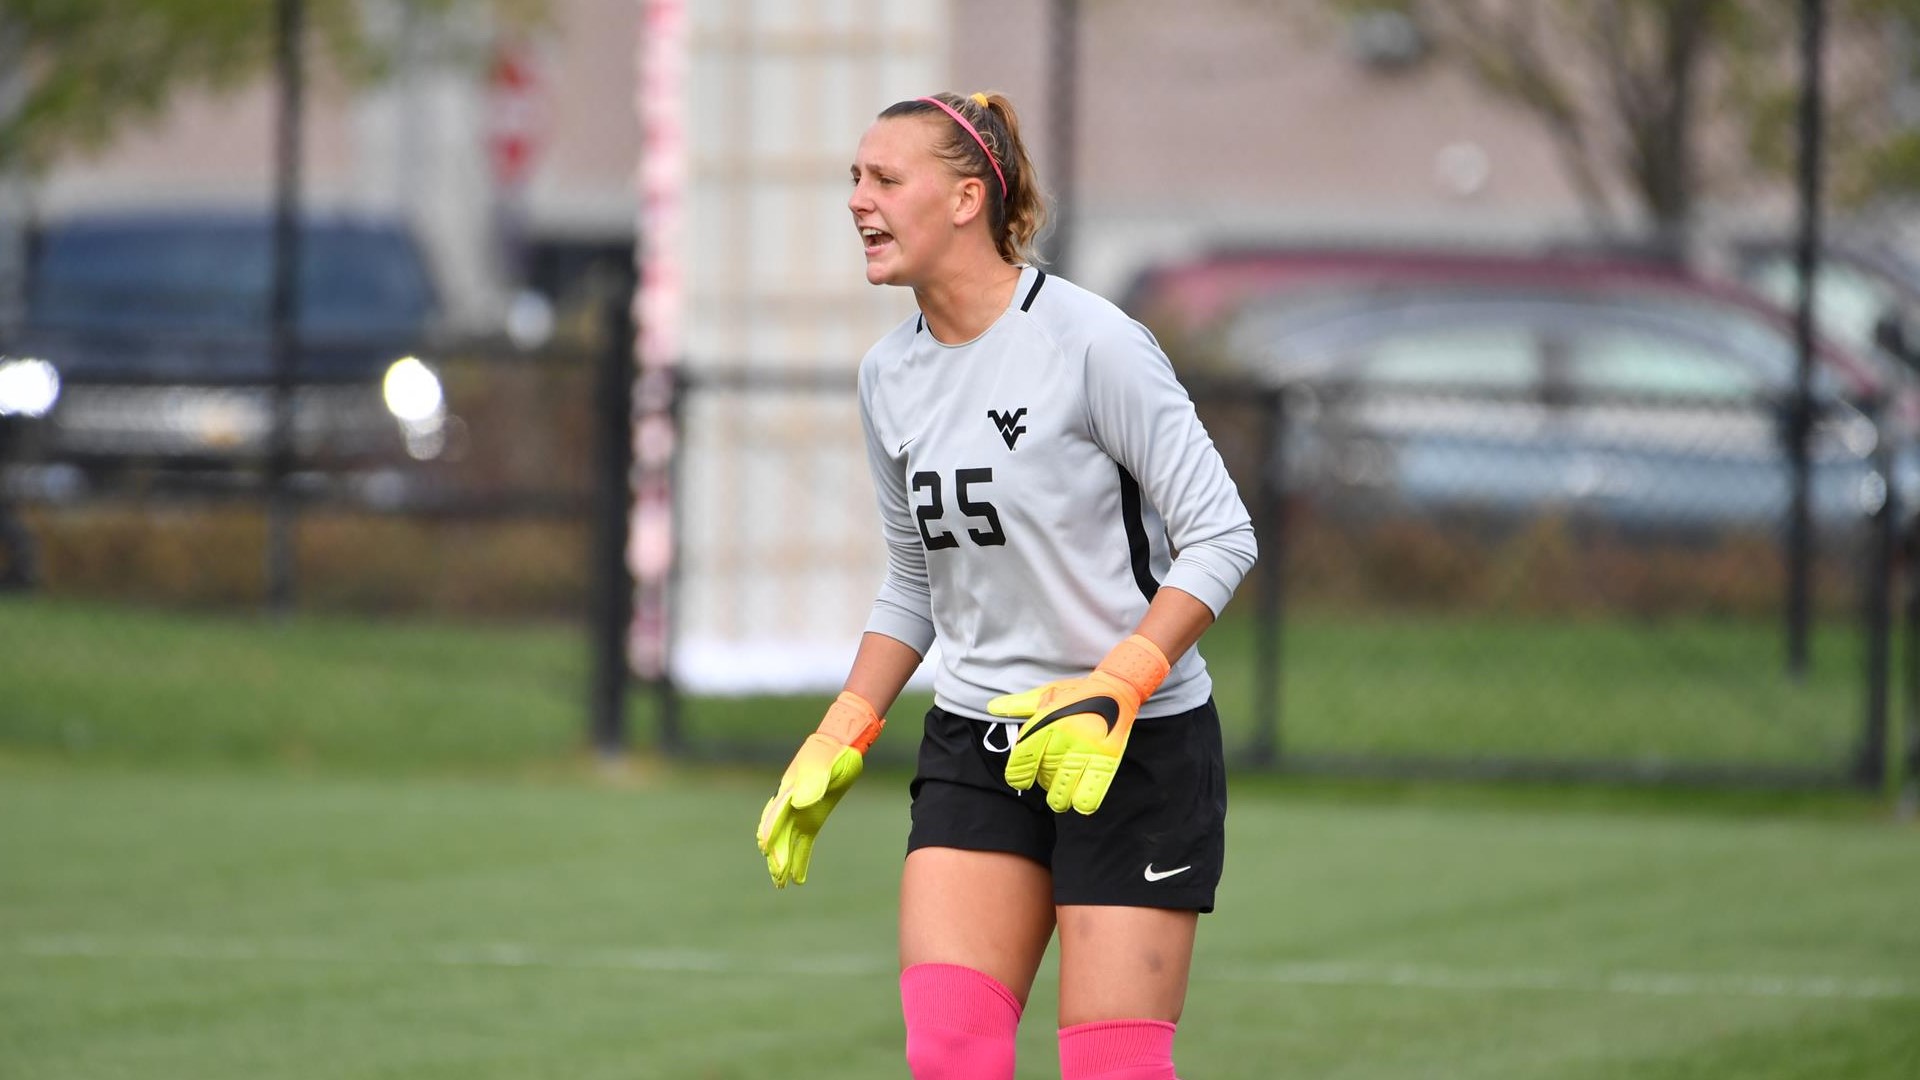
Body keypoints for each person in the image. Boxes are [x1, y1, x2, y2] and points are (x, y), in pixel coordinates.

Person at [756, 89, 1257, 1080]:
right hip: (978, 745)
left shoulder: (1090, 342)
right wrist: (842, 728)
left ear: (965, 198)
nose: (858, 200)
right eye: (854, 179)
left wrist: (1119, 683)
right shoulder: (886, 376)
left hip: (1135, 749)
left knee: (1110, 1070)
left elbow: (1219, 535)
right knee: (950, 1056)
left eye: (885, 179)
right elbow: (914, 581)